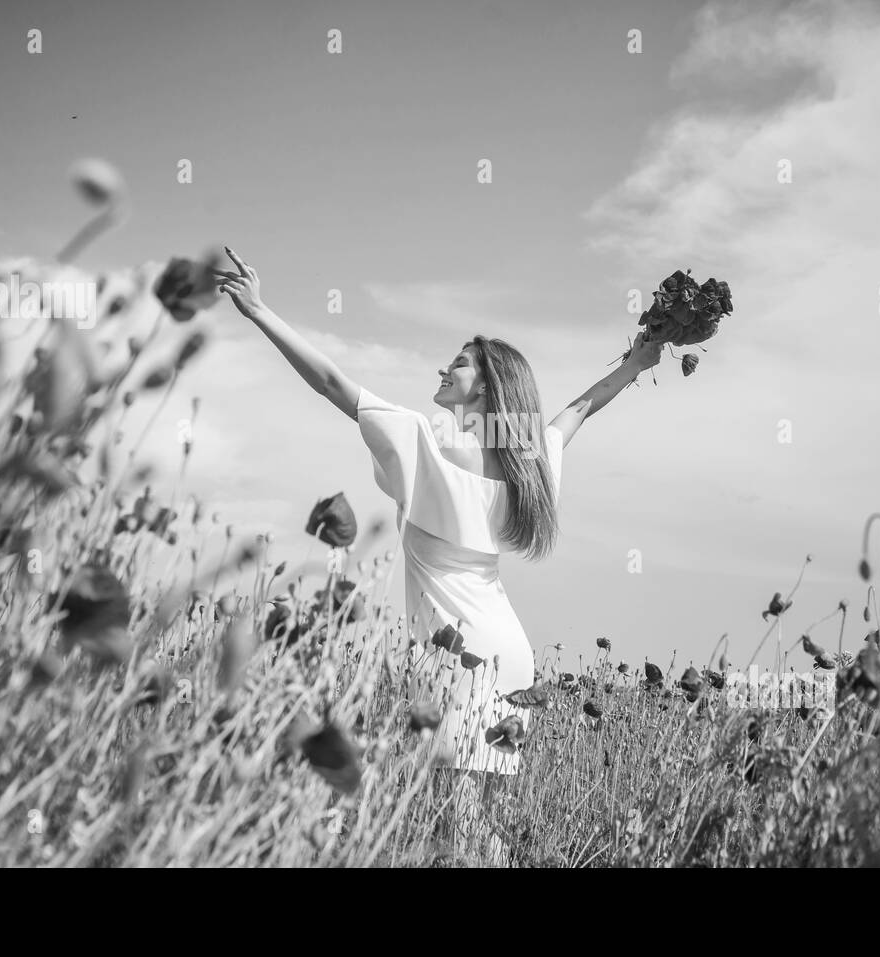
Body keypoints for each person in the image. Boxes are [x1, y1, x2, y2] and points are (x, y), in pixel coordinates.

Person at [215, 247, 663, 863]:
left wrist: (261, 312)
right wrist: (637, 361)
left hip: (461, 659)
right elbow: (577, 412)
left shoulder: (424, 440)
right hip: (505, 652)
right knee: (470, 823)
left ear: (487, 384)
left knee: (462, 824)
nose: (445, 367)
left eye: (460, 363)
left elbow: (330, 382)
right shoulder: (525, 468)